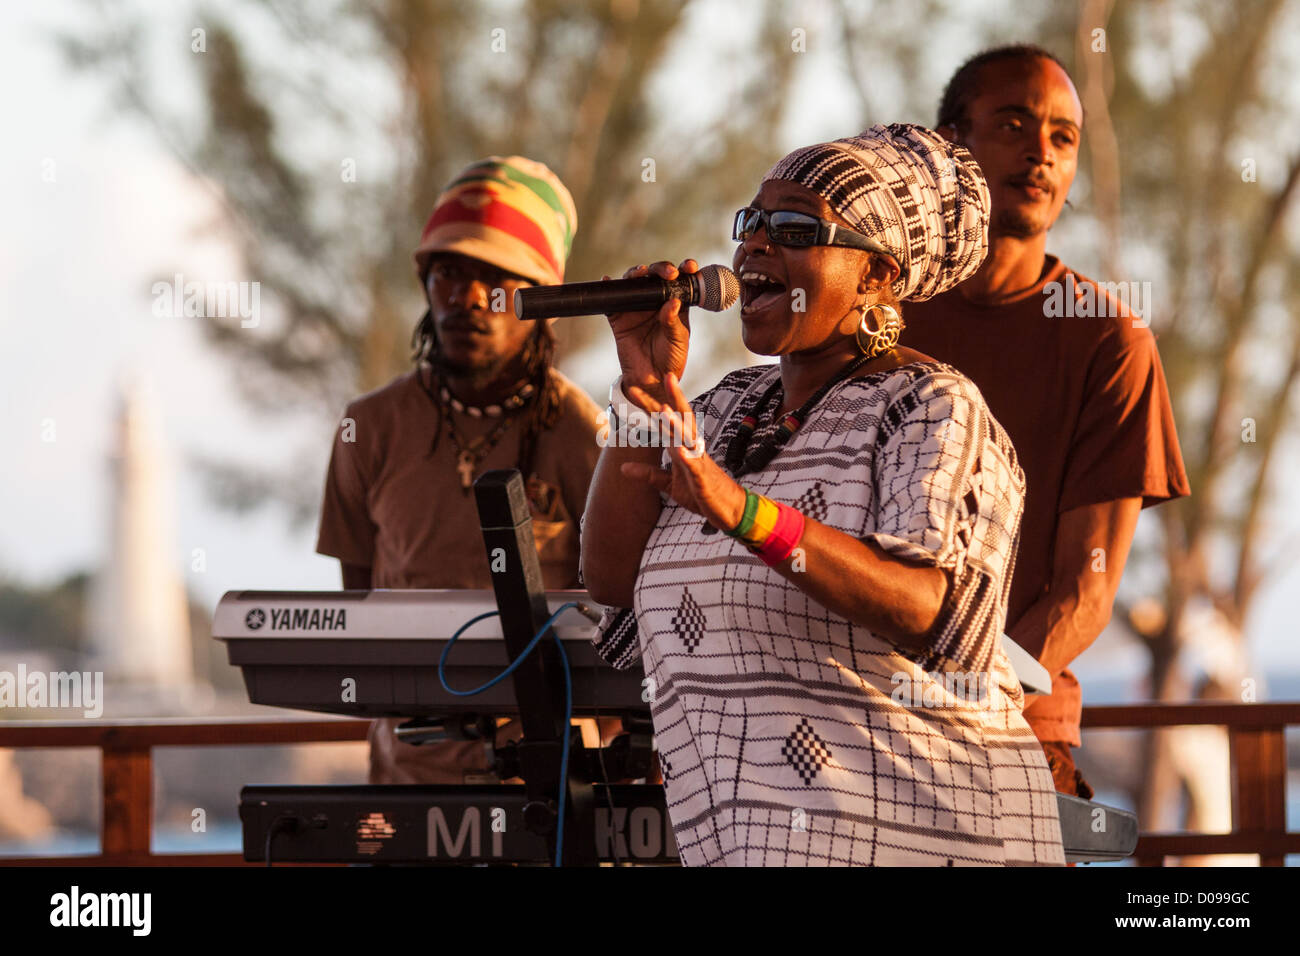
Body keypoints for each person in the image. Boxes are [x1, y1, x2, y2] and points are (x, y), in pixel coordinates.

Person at [582, 124, 1064, 866]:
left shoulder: (930, 405)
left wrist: (741, 511)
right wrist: (646, 388)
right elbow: (612, 577)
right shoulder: (718, 409)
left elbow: (933, 610)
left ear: (877, 276)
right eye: (753, 223)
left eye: (797, 228)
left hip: (928, 837)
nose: (754, 249)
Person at [901, 45, 1189, 799]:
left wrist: (957, 707)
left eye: (1063, 138)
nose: (1040, 154)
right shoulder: (878, 313)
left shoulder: (1108, 340)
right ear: (952, 145)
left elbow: (1082, 592)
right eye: (1013, 124)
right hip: (853, 722)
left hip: (1012, 729)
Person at [315, 156, 603, 784]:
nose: (468, 299)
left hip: (556, 790)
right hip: (409, 778)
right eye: (449, 273)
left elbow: (629, 619)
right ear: (425, 284)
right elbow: (358, 610)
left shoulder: (588, 437)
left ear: (540, 301)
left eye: (494, 278)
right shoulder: (367, 427)